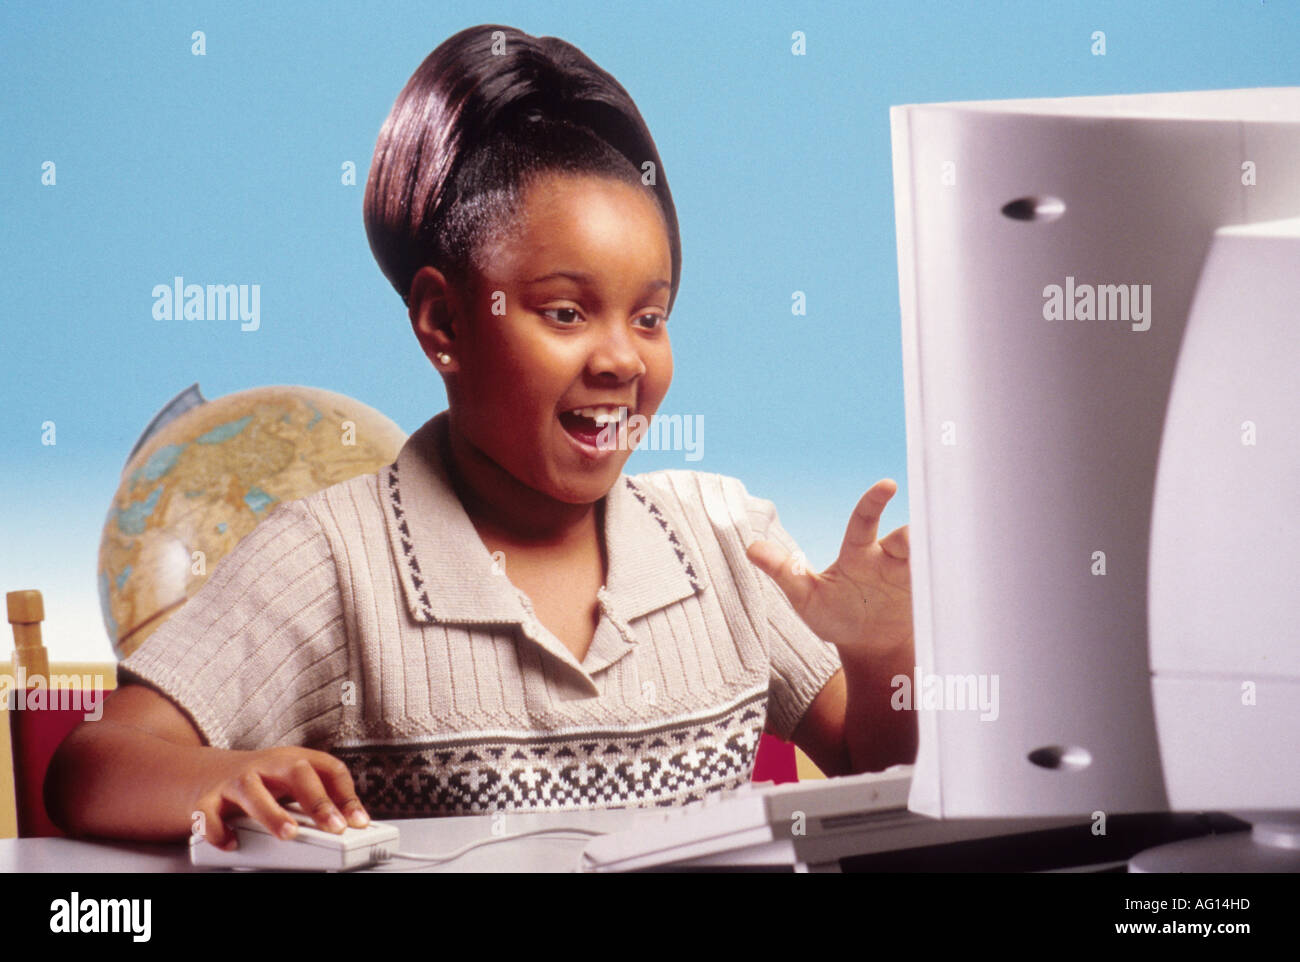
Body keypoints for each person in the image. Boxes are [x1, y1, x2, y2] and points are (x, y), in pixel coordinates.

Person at [45, 24, 916, 850]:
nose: (621, 357)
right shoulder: (334, 561)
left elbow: (877, 766)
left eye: (650, 317)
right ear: (443, 322)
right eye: (567, 312)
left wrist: (881, 654)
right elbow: (91, 767)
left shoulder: (728, 540)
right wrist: (224, 777)